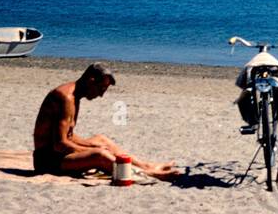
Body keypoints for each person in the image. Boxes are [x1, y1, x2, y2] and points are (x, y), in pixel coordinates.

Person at [32, 63, 179, 180]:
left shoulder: (74, 95)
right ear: (91, 80)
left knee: (102, 140)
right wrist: (92, 150)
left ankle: (147, 166)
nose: (101, 95)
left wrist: (92, 144)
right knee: (100, 155)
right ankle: (148, 174)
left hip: (57, 153)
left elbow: (67, 135)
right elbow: (60, 144)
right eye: (101, 88)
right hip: (47, 161)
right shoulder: (65, 98)